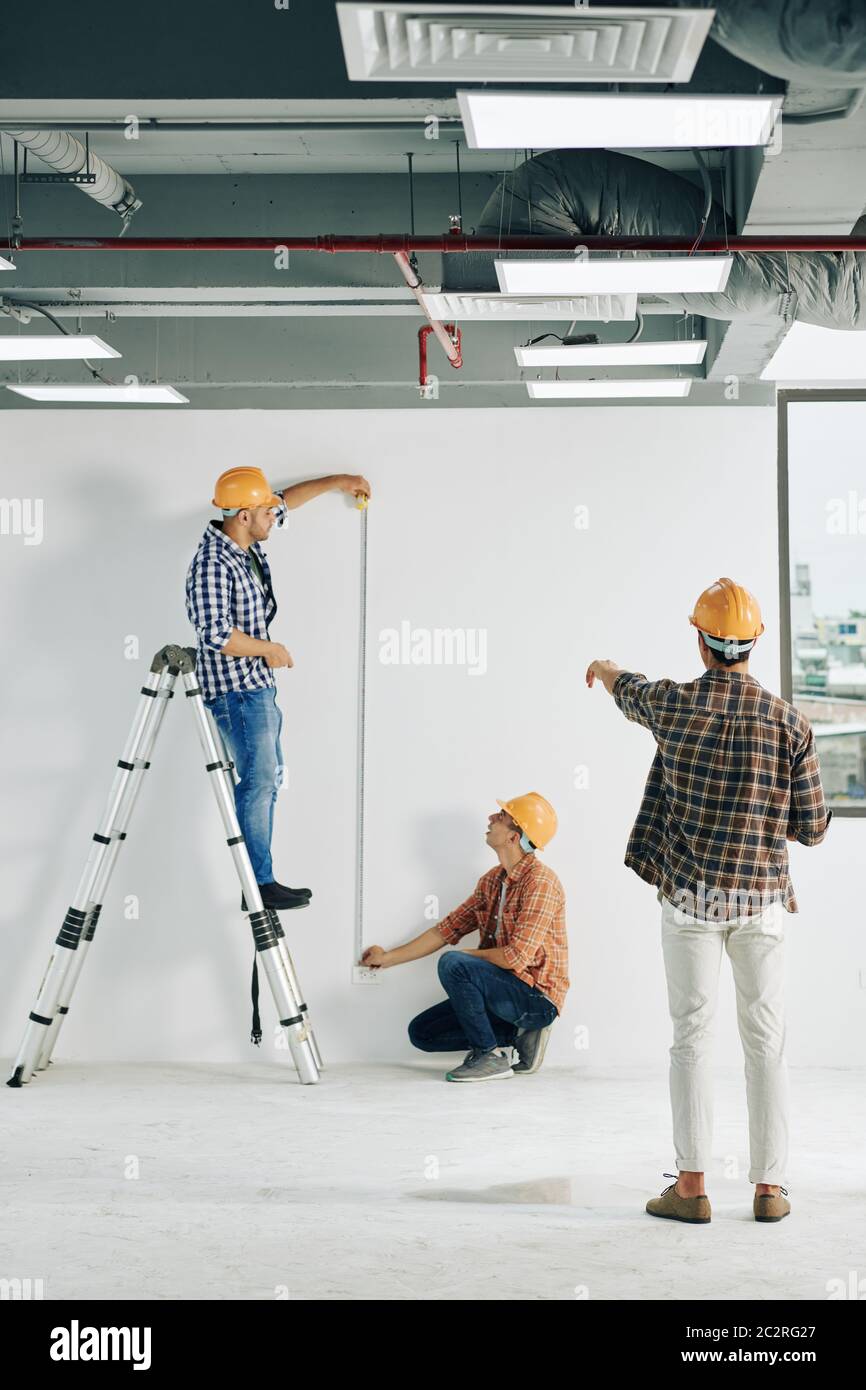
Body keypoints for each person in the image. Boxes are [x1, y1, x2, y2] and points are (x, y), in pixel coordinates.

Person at [587, 577, 830, 1225]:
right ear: (753, 645)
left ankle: (691, 1188)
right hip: (760, 901)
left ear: (700, 641)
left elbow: (630, 692)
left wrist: (606, 669)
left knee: (691, 1036)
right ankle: (770, 1189)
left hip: (691, 899)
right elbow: (812, 827)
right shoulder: (789, 723)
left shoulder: (675, 706)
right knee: (766, 1041)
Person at [186, 466, 371, 911]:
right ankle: (259, 883)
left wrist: (337, 483)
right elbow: (214, 633)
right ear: (244, 514)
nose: (276, 516)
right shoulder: (214, 563)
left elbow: (288, 500)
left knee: (266, 781)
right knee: (259, 780)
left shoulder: (245, 543)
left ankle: (262, 877)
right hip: (236, 691)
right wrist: (268, 649)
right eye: (267, 511)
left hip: (255, 688)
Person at [362, 794, 569, 1083]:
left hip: (535, 999)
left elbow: (516, 957)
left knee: (454, 963)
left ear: (514, 836)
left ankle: (488, 1056)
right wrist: (386, 958)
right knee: (421, 1033)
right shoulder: (491, 882)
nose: (491, 819)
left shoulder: (541, 883)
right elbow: (444, 931)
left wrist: (465, 959)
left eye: (501, 816)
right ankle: (517, 1037)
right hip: (501, 994)